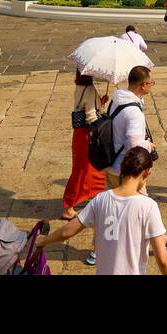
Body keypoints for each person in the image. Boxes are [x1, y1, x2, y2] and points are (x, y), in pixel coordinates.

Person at [40, 148, 167, 275]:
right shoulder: (148, 206)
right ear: (146, 174)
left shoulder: (101, 199)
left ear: (122, 168)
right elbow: (162, 260)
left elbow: (66, 232)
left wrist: (43, 241)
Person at [62, 71, 108, 221]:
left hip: (80, 134)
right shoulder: (89, 89)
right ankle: (69, 205)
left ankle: (89, 196)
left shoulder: (80, 87)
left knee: (83, 168)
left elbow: (85, 105)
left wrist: (100, 101)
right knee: (86, 169)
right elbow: (90, 115)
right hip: (88, 134)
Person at [108, 65, 155, 189]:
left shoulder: (117, 100)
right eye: (151, 83)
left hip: (112, 163)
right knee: (140, 205)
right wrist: (148, 145)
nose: (152, 85)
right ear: (143, 85)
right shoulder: (134, 112)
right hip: (127, 171)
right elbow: (134, 145)